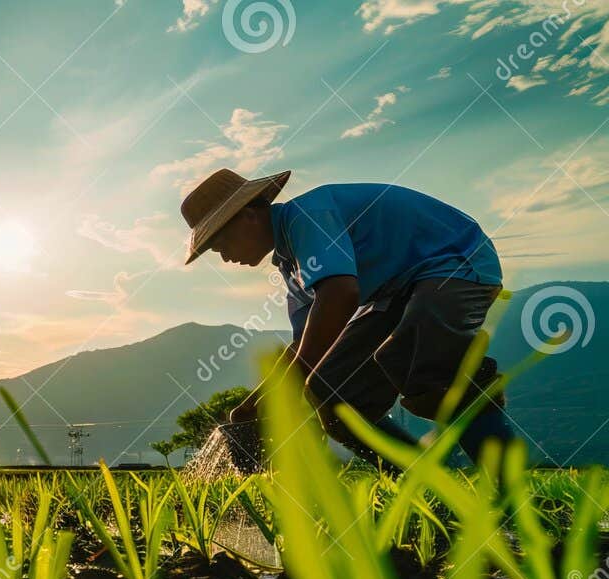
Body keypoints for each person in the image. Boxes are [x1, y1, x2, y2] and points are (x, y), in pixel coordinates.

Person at [181, 169, 514, 463]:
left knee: (425, 368)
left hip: (455, 263)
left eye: (219, 242)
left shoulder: (307, 216)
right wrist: (253, 404)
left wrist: (291, 385)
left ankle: (511, 497)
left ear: (248, 216)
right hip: (397, 292)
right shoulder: (290, 264)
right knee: (331, 389)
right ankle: (428, 488)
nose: (222, 256)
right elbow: (306, 343)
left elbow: (340, 295)